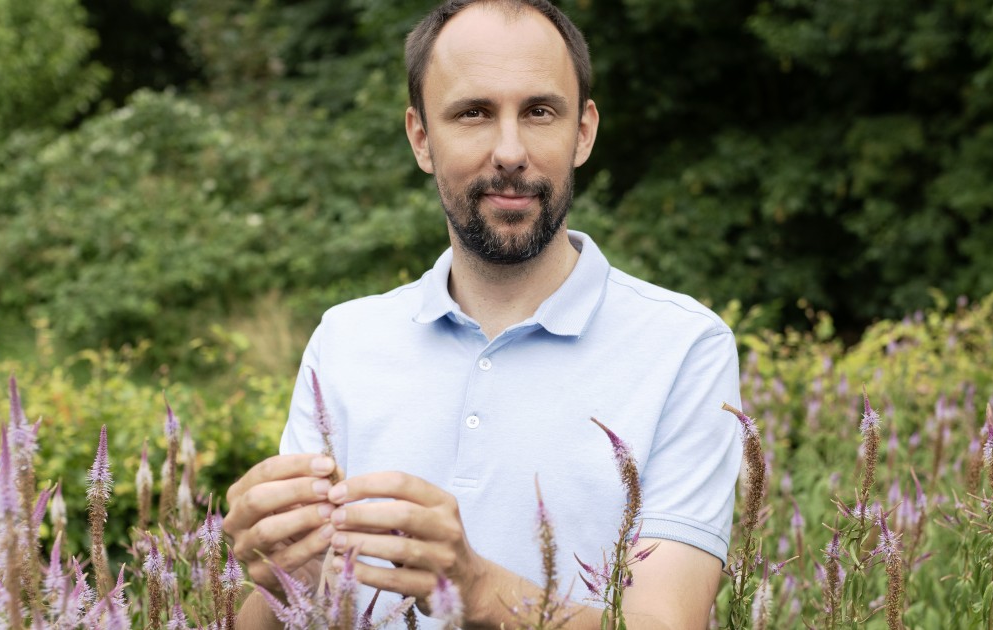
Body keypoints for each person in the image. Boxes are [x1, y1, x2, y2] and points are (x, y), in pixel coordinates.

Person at [222, 0, 743, 627]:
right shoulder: (345, 339)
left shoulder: (684, 347)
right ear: (421, 138)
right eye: (473, 113)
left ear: (583, 132)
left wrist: (472, 584)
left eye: (540, 112)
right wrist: (285, 583)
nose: (510, 150)